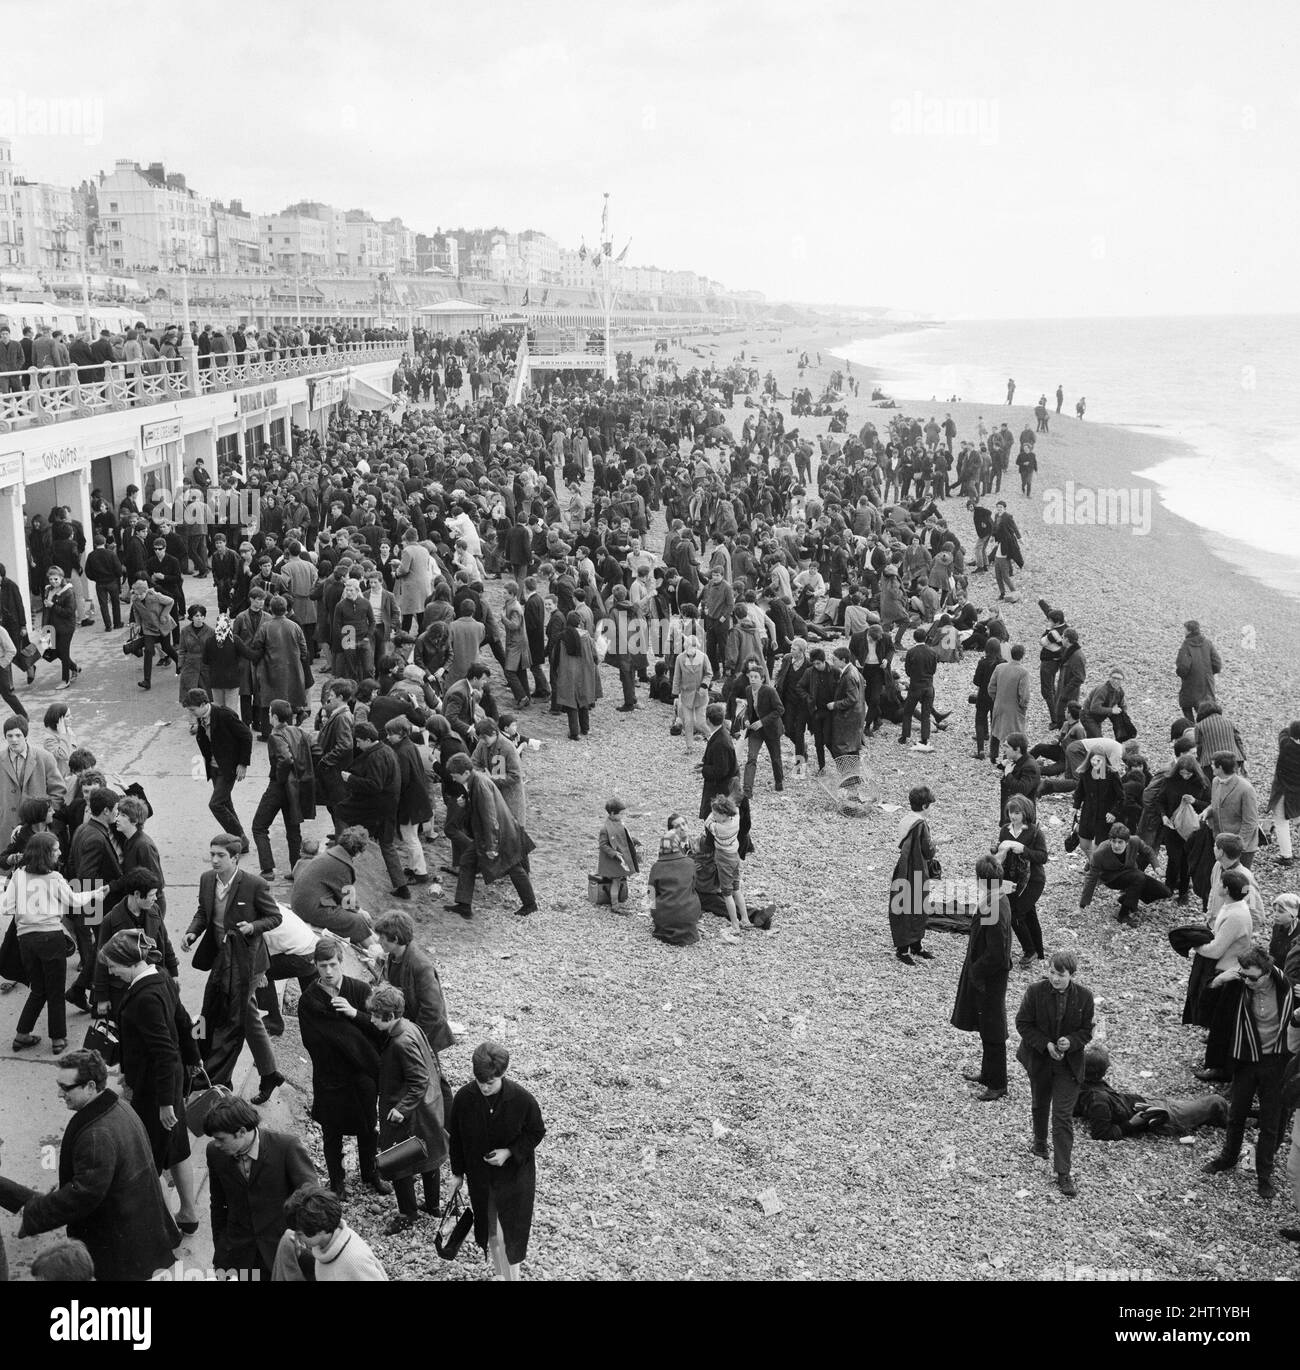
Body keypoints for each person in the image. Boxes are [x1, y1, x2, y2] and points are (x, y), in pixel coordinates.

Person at [0, 1048, 180, 1280]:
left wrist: (36, 1213)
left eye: (66, 1088)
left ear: (91, 1086)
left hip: (119, 1242)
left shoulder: (97, 1135)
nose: (58, 1093)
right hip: (138, 1229)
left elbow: (83, 1194)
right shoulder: (119, 1107)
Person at [97, 928, 200, 1232]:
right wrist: (193, 1059)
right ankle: (188, 1214)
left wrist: (165, 1103)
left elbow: (164, 1052)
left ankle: (164, 1229)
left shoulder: (144, 997)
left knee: (150, 1157)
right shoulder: (162, 977)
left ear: (127, 961)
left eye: (113, 966)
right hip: (171, 1081)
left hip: (155, 1090)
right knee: (177, 1147)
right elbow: (182, 1020)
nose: (111, 972)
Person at [181, 834, 283, 1098]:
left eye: (221, 855)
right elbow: (203, 912)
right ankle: (269, 1074)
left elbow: (274, 916)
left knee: (230, 1018)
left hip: (247, 964)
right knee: (241, 1015)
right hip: (221, 961)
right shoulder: (206, 880)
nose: (214, 860)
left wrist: (253, 927)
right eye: (212, 854)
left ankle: (218, 1076)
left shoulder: (254, 885)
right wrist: (192, 933)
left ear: (235, 857)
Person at [447, 1039, 546, 1281]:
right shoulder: (464, 1098)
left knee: (510, 1234)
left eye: (490, 1082)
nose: (484, 1087)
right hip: (482, 1181)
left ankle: (510, 1276)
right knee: (492, 1232)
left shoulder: (522, 1099)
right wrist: (457, 1173)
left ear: (502, 1074)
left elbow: (536, 1131)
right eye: (480, 1082)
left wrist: (509, 1152)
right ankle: (503, 1274)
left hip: (514, 1180)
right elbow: (456, 1138)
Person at [298, 938, 388, 1199]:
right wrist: (348, 1042)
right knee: (331, 1131)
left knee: (368, 1126)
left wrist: (353, 1015)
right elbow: (312, 1041)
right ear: (315, 965)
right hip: (330, 1077)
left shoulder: (358, 990)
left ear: (341, 962)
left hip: (361, 1076)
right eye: (322, 965)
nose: (328, 971)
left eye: (333, 964)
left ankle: (371, 1173)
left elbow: (378, 1029)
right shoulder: (309, 1001)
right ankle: (337, 1181)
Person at [1202, 947, 1294, 1201]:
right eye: (1244, 976)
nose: (1248, 982)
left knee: (1270, 1122)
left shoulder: (1287, 988)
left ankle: (1264, 1175)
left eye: (1253, 978)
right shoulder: (1238, 986)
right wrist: (1219, 980)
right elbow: (1207, 1009)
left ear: (1267, 973)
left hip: (1276, 1061)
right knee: (1237, 1114)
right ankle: (1228, 1157)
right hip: (1245, 1057)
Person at [3, 832, 101, 1053]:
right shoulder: (55, 878)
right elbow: (74, 901)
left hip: (26, 939)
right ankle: (58, 1039)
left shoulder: (19, 875)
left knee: (38, 988)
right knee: (55, 990)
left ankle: (22, 1034)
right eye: (56, 849)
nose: (59, 852)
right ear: (46, 853)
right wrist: (96, 893)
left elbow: (7, 906)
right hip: (51, 938)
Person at [204, 1095, 317, 1279]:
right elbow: (217, 1204)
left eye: (221, 1139)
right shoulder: (215, 1153)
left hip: (281, 1250)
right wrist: (220, 1251)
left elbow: (310, 1196)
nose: (217, 1144)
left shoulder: (285, 1147)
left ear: (241, 1131)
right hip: (239, 1252)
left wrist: (302, 1236)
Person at [367, 982, 449, 1235]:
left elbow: (418, 1079)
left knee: (399, 1161)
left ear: (390, 1017)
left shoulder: (401, 1042)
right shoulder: (411, 1026)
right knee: (429, 1156)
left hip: (408, 1114)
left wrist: (401, 1108)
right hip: (428, 1109)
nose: (371, 1020)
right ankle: (433, 1205)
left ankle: (407, 1213)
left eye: (375, 1016)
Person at [1014, 951, 1094, 1197]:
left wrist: (1070, 1042)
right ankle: (1039, 1142)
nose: (1055, 978)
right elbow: (1023, 1023)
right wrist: (1045, 1045)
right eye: (1052, 972)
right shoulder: (1035, 991)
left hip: (1068, 1065)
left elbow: (1086, 1031)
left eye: (1061, 975)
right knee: (1040, 1102)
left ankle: (1063, 1172)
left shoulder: (1084, 997)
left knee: (1062, 1117)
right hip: (1039, 1058)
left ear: (1072, 975)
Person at [444, 752, 538, 919]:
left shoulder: (479, 785)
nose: (453, 779)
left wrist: (491, 846)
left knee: (513, 866)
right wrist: (466, 804)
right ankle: (464, 904)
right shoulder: (475, 780)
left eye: (454, 776)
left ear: (465, 773)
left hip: (497, 835)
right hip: (496, 833)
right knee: (467, 861)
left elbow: (489, 817)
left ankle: (530, 904)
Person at [952, 855, 1014, 1101]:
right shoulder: (997, 898)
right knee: (986, 1025)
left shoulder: (995, 905)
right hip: (989, 975)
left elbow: (996, 953)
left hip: (990, 978)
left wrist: (976, 970)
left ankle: (998, 1083)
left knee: (993, 1028)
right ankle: (989, 1074)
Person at [253, 699, 316, 879]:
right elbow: (316, 750)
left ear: (274, 716)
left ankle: (267, 869)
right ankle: (297, 871)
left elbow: (285, 759)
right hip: (295, 788)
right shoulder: (299, 731)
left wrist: (281, 779)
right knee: (293, 830)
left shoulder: (276, 736)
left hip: (279, 787)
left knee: (259, 826)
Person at [279, 1183, 389, 1281]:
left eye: (299, 1234)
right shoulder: (326, 1244)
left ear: (320, 1230)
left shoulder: (354, 1261)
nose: (296, 1237)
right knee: (287, 1240)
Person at [186, 689, 253, 850]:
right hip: (214, 768)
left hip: (227, 768)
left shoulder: (224, 715)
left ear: (203, 704)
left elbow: (246, 736)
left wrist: (243, 764)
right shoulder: (202, 718)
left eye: (193, 710)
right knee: (225, 803)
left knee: (216, 804)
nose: (192, 714)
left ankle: (241, 838)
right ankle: (239, 842)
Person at [998, 794, 1049, 968]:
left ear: (1025, 812)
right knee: (1029, 913)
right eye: (1011, 812)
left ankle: (1030, 950)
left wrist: (1024, 850)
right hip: (1012, 880)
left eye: (1017, 812)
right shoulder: (1005, 830)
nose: (1013, 816)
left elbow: (1042, 857)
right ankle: (1039, 951)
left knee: (1016, 913)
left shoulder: (1035, 832)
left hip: (1033, 880)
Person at [889, 784, 936, 965]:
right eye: (930, 805)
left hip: (903, 865)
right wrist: (936, 845)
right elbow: (928, 850)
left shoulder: (906, 820)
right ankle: (908, 947)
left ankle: (910, 945)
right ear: (924, 806)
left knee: (903, 902)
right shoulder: (921, 824)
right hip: (916, 866)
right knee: (917, 904)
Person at [646, 819, 703, 946]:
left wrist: (652, 912)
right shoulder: (689, 863)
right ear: (677, 845)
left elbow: (651, 893)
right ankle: (688, 923)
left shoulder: (656, 867)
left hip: (663, 915)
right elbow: (694, 886)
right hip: (689, 913)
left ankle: (666, 925)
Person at [737, 658, 785, 795]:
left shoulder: (769, 691)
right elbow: (749, 710)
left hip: (771, 728)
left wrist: (762, 722)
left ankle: (779, 782)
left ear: (762, 679)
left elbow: (780, 710)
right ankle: (747, 789)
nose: (752, 680)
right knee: (751, 758)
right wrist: (746, 720)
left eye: (756, 677)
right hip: (755, 730)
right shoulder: (748, 690)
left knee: (775, 758)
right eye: (750, 677)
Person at [128, 578, 179, 689]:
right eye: (137, 594)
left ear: (145, 591)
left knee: (167, 648)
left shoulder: (155, 596)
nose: (139, 596)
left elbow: (170, 601)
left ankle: (179, 663)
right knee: (148, 651)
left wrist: (163, 615)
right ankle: (147, 681)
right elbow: (136, 611)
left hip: (162, 626)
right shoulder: (135, 600)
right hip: (148, 629)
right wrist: (137, 624)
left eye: (141, 594)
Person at [1265, 721, 1300, 868]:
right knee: (1298, 818)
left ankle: (1286, 856)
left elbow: (1283, 732)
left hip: (1285, 790)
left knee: (1281, 821)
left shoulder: (1286, 745)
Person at [596, 795, 640, 909]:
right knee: (616, 880)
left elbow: (624, 837)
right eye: (620, 813)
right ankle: (615, 905)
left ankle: (617, 899)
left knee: (619, 878)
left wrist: (633, 841)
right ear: (611, 813)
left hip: (621, 858)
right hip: (613, 861)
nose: (622, 816)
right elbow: (603, 845)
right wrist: (614, 853)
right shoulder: (605, 829)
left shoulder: (619, 823)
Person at [42, 566, 80, 690]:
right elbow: (46, 611)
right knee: (56, 652)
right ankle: (74, 668)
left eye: (55, 579)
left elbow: (69, 611)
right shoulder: (48, 590)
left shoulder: (68, 592)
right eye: (51, 579)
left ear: (61, 578)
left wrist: (53, 605)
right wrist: (44, 627)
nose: (53, 581)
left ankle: (65, 680)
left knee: (63, 652)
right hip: (51, 627)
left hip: (66, 627)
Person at [1175, 619, 1222, 718]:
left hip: (1191, 684)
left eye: (1185, 629)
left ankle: (1192, 729)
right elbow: (1217, 664)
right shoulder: (1207, 643)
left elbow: (1183, 668)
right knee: (1207, 711)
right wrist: (1208, 672)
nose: (1183, 631)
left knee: (1186, 706)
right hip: (1207, 684)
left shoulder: (1186, 645)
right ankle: (1205, 729)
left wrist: (1181, 674)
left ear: (1189, 631)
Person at [699, 701, 738, 817]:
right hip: (725, 785)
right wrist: (704, 765)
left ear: (708, 720)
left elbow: (720, 770)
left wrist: (704, 769)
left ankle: (711, 835)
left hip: (720, 789)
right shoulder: (721, 733)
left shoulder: (720, 742)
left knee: (714, 817)